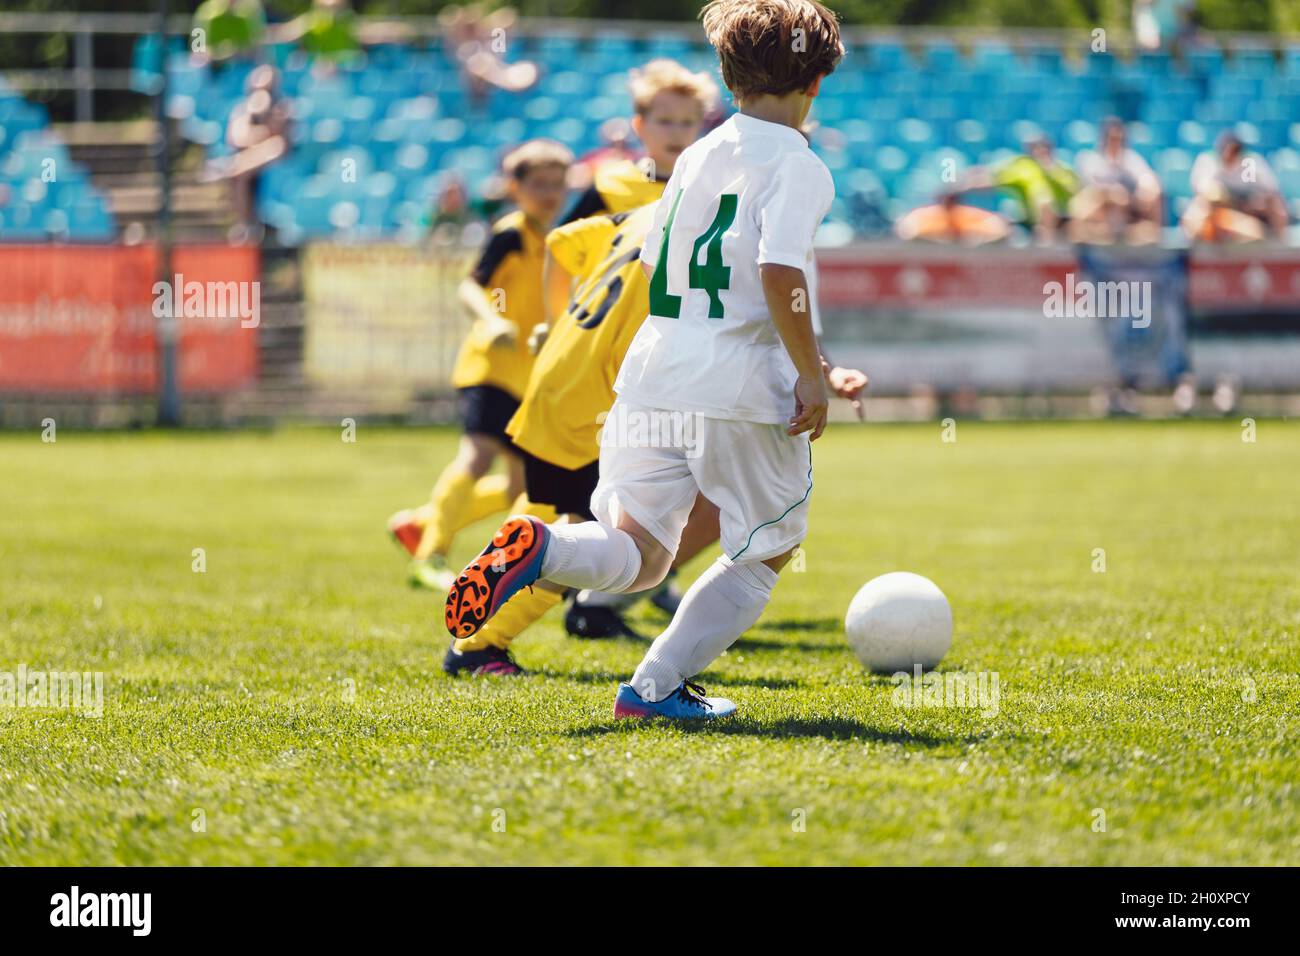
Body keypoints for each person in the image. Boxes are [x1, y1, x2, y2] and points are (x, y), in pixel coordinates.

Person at [444, 0, 848, 720]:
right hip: (738, 387)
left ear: (727, 81)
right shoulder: (800, 164)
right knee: (766, 548)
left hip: (652, 372)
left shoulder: (696, 155)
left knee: (640, 553)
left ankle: (542, 547)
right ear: (816, 81)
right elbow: (779, 273)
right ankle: (654, 688)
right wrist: (812, 376)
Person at [388, 140, 572, 591]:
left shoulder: (560, 239)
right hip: (489, 368)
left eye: (557, 184)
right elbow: (470, 287)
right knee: (476, 457)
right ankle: (430, 555)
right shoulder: (511, 233)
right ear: (515, 188)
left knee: (517, 489)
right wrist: (492, 320)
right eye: (538, 184)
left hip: (527, 377)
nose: (549, 193)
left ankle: (423, 522)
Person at [559, 58, 719, 225]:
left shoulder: (710, 186)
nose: (677, 133)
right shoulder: (609, 184)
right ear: (639, 125)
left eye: (687, 122)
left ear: (700, 126)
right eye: (664, 121)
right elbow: (563, 243)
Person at [957, 135, 1080, 244]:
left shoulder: (1063, 171)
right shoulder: (1022, 168)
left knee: (1047, 203)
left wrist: (1052, 172)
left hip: (1063, 221)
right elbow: (990, 178)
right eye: (1035, 148)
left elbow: (1076, 193)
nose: (1040, 152)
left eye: (1044, 148)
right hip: (1029, 223)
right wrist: (963, 183)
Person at [1069, 118, 1164, 245]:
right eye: (1111, 138)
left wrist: (1145, 189)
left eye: (1119, 139)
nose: (1115, 143)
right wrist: (1112, 193)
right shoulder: (1090, 159)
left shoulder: (1131, 158)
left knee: (1149, 192)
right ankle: (1102, 232)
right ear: (1104, 139)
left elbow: (1146, 179)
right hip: (1099, 208)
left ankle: (1130, 233)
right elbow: (1090, 189)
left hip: (1128, 207)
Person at [1182, 131, 1289, 243]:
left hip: (1249, 212)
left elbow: (1271, 190)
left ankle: (1279, 244)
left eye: (1233, 151)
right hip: (1219, 212)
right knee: (1197, 208)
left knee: (1277, 206)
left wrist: (1255, 201)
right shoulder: (1208, 160)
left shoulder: (1250, 162)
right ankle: (1192, 247)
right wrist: (1224, 198)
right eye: (1225, 150)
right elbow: (1204, 192)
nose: (1228, 154)